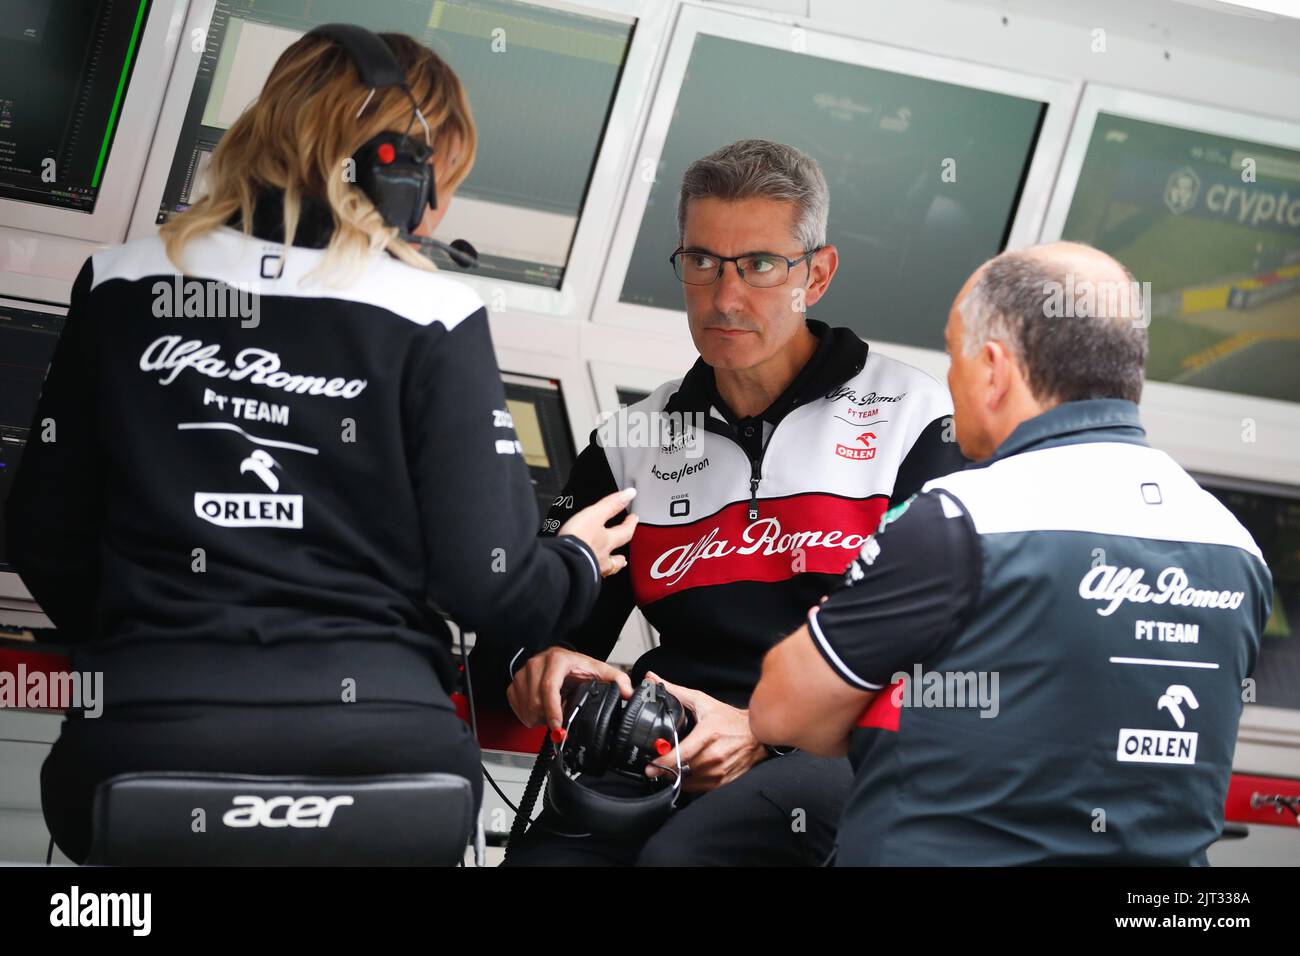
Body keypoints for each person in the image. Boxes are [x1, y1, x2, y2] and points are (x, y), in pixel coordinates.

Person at [4, 28, 634, 864]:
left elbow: (43, 533)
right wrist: (576, 561)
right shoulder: (429, 314)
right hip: (381, 760)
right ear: (394, 172)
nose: (440, 208)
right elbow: (488, 585)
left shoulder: (120, 281)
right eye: (438, 176)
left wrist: (146, 644)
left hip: (140, 749)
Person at [473, 139, 965, 866]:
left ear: (817, 276)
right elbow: (527, 631)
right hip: (663, 745)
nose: (725, 298)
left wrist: (764, 732)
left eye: (760, 266)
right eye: (701, 262)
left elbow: (949, 661)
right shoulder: (631, 440)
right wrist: (541, 664)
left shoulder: (919, 420)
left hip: (844, 753)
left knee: (687, 859)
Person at [750, 241, 1272, 865]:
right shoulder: (1234, 543)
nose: (950, 378)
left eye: (954, 354)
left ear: (994, 369)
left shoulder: (960, 517)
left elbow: (781, 712)